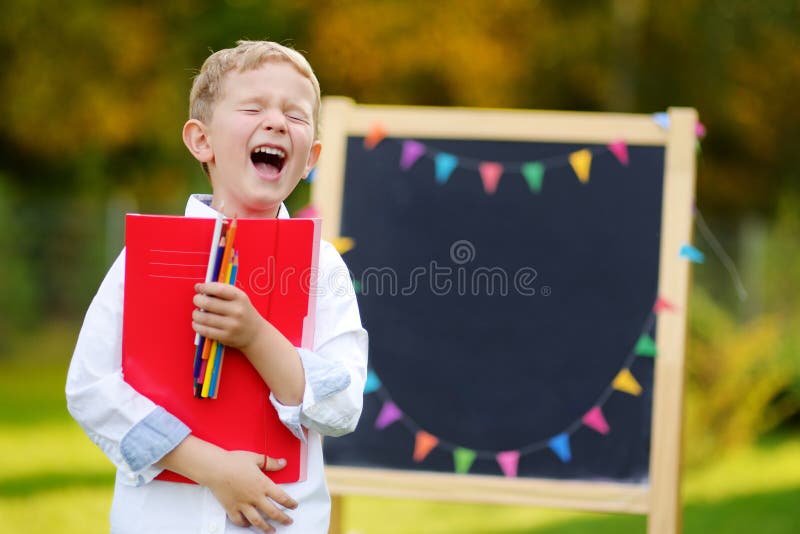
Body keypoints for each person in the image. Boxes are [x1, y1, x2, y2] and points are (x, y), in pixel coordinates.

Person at [66, 40, 368, 533]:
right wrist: (213, 468)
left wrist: (255, 336)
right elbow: (91, 388)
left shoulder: (322, 266)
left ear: (310, 156)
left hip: (280, 519)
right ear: (201, 140)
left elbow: (342, 406)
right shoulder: (146, 256)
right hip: (163, 520)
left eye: (294, 114)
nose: (275, 122)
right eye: (253, 107)